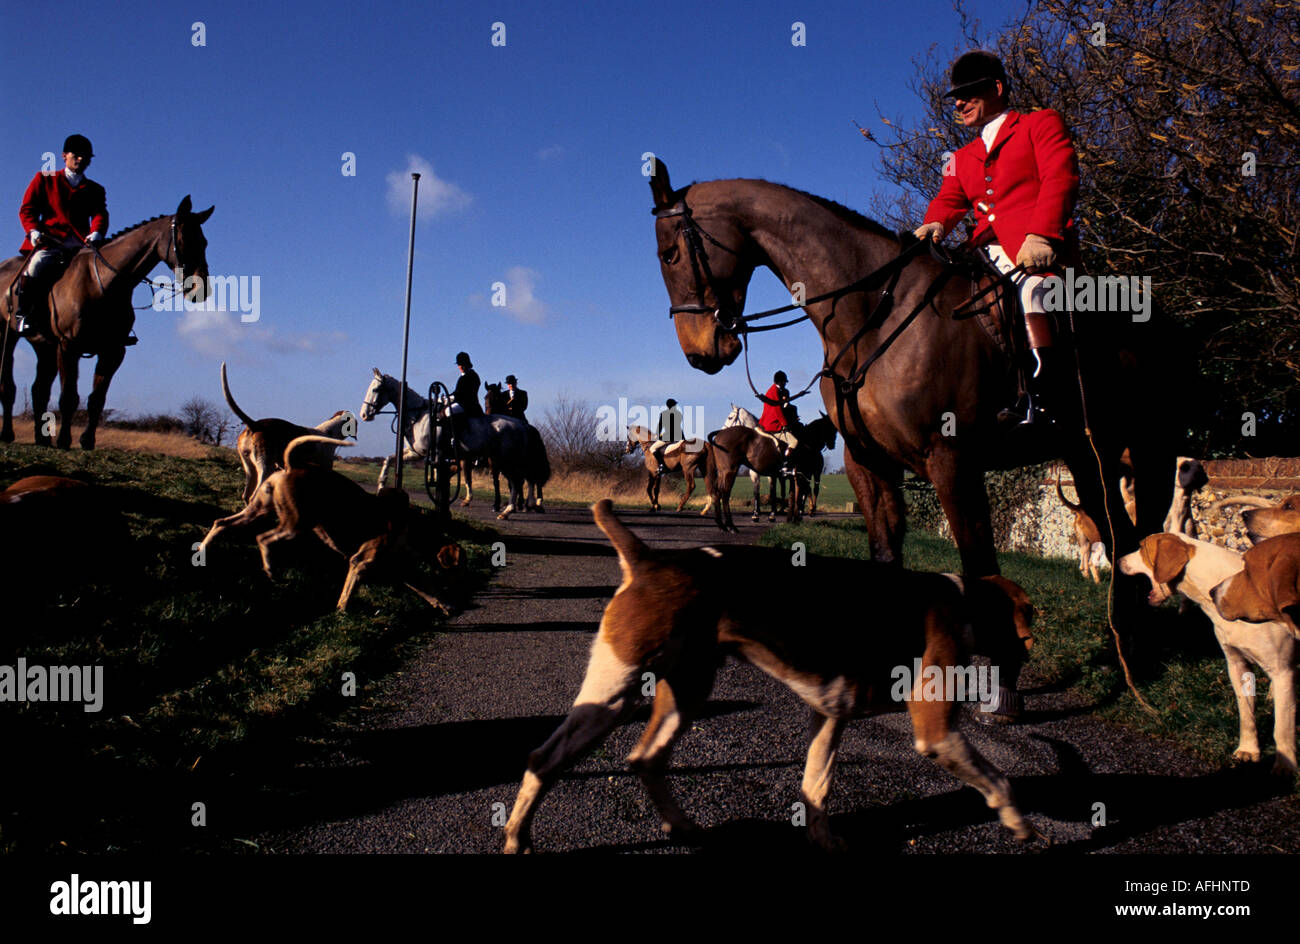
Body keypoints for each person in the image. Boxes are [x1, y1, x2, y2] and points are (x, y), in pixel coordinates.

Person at [913, 51, 1080, 426]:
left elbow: (1061, 177)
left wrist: (1043, 234)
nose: (959, 102)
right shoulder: (959, 157)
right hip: (983, 252)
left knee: (1032, 290)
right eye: (956, 96)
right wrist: (935, 223)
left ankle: (1044, 394)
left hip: (1036, 249)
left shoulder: (1040, 124)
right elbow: (948, 200)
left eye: (969, 93)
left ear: (997, 88)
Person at [14, 134, 108, 336]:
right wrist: (33, 231)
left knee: (106, 272)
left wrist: (96, 233)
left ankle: (109, 325)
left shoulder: (95, 189)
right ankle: (24, 315)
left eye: (86, 156)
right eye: (77, 155)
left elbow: (100, 214)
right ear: (64, 156)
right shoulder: (44, 179)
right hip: (50, 242)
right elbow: (27, 210)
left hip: (80, 245)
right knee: (36, 265)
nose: (81, 159)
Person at [758, 370, 799, 476]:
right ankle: (785, 466)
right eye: (784, 382)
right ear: (780, 382)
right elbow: (777, 410)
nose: (785, 383)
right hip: (773, 424)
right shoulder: (774, 392)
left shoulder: (774, 390)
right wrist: (785, 424)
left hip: (768, 422)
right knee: (794, 441)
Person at [448, 351, 483, 446]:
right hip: (461, 402)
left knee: (449, 411)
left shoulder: (472, 376)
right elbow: (457, 391)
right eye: (459, 364)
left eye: (461, 364)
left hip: (469, 405)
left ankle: (455, 436)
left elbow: (465, 393)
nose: (459, 367)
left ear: (467, 364)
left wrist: (452, 398)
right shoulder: (463, 377)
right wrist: (446, 397)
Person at [650, 398, 684, 477]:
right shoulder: (678, 414)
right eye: (675, 405)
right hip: (679, 436)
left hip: (668, 437)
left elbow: (660, 426)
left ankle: (662, 465)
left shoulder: (664, 414)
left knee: (652, 448)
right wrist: (683, 438)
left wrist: (657, 435)